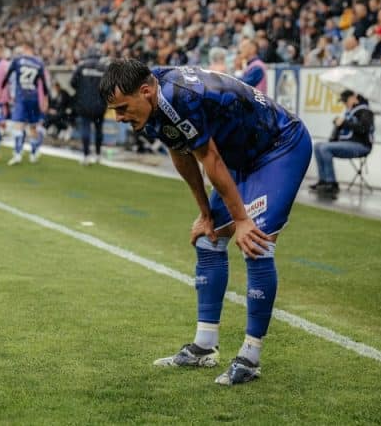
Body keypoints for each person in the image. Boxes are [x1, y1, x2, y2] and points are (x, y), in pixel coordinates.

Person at [99, 59, 312, 386]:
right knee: (207, 238)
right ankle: (204, 347)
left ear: (145, 91)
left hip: (279, 147)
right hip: (241, 156)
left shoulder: (179, 98)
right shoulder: (154, 97)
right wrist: (205, 213)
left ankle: (250, 357)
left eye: (123, 108)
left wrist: (241, 219)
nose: (119, 117)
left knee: (256, 242)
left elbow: (209, 158)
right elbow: (181, 155)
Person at [311, 90, 374, 196]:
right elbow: (337, 136)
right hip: (346, 144)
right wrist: (338, 125)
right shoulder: (348, 112)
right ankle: (323, 181)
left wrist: (344, 123)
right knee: (318, 146)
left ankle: (331, 183)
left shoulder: (365, 112)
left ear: (354, 98)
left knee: (324, 148)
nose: (344, 103)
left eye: (346, 100)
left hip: (361, 146)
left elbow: (364, 128)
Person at [2, 43, 49, 165]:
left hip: (21, 97)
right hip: (33, 98)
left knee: (19, 125)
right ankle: (33, 154)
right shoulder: (39, 63)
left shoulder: (18, 60)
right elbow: (44, 85)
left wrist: (1, 89)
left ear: (26, 48)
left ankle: (17, 154)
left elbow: (7, 76)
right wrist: (45, 99)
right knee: (32, 127)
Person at [70, 53, 108, 165]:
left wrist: (81, 91)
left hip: (84, 104)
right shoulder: (103, 68)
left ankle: (86, 155)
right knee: (98, 129)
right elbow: (109, 86)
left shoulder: (82, 66)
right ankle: (98, 155)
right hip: (99, 105)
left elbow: (72, 83)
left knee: (85, 128)